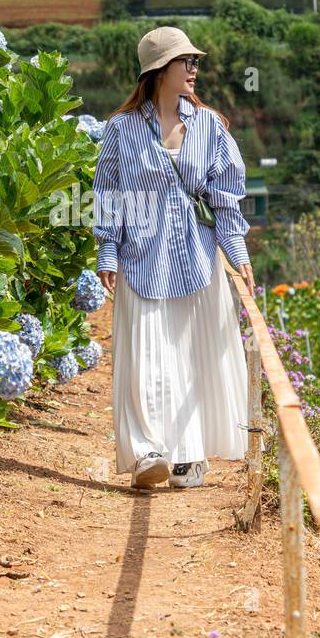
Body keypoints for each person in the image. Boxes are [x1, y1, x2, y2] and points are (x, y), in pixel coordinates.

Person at [92, 26, 254, 490]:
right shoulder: (120, 129)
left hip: (197, 258)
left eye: (195, 62)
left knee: (193, 355)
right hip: (141, 256)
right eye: (186, 62)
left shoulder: (210, 127)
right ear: (160, 70)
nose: (194, 70)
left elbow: (224, 198)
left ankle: (187, 455)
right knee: (146, 355)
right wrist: (108, 250)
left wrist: (236, 251)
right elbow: (108, 195)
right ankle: (147, 452)